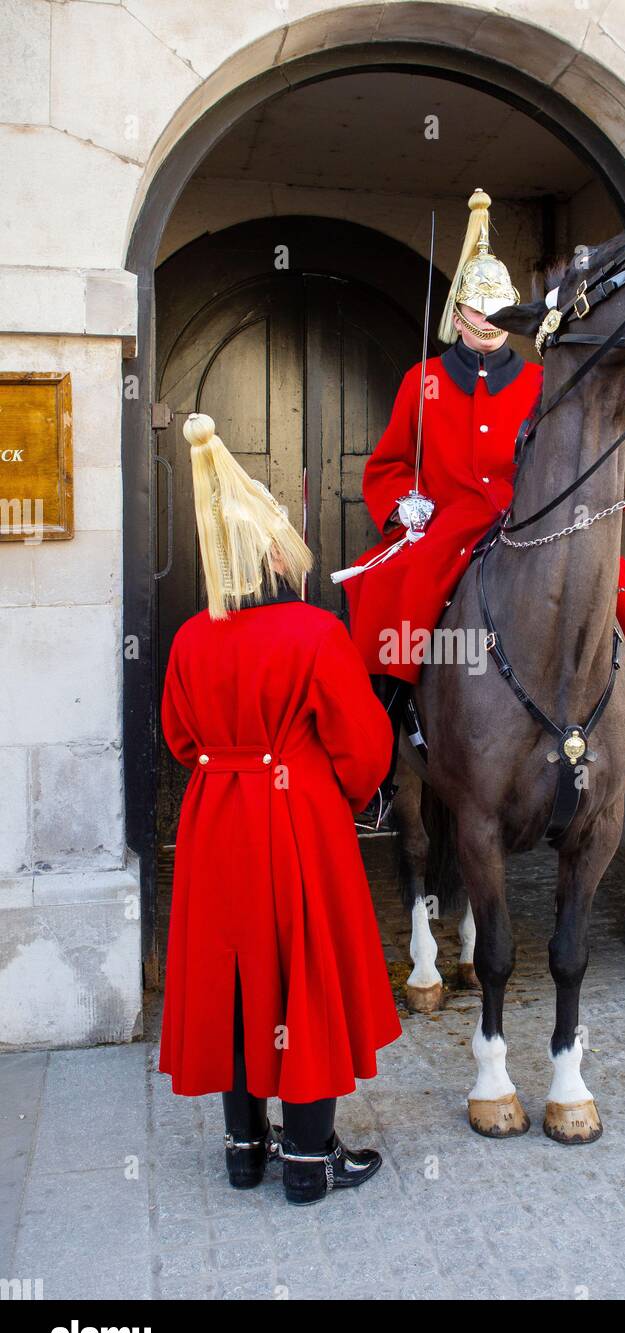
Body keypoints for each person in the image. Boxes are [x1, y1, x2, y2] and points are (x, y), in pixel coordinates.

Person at [343, 189, 625, 818]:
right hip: (448, 523)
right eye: (476, 312)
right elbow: (385, 467)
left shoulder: (541, 380)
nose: (487, 325)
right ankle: (384, 750)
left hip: (528, 521)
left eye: (497, 314)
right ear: (458, 313)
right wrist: (400, 506)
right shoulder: (423, 381)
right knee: (393, 587)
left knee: (619, 586)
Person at [159, 413, 401, 1206]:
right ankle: (308, 1159)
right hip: (297, 826)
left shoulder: (191, 639)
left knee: (235, 981)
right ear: (271, 550)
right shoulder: (317, 632)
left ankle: (242, 1149)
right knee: (305, 981)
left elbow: (179, 737)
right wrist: (350, 792)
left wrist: (227, 769)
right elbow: (363, 746)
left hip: (213, 823)